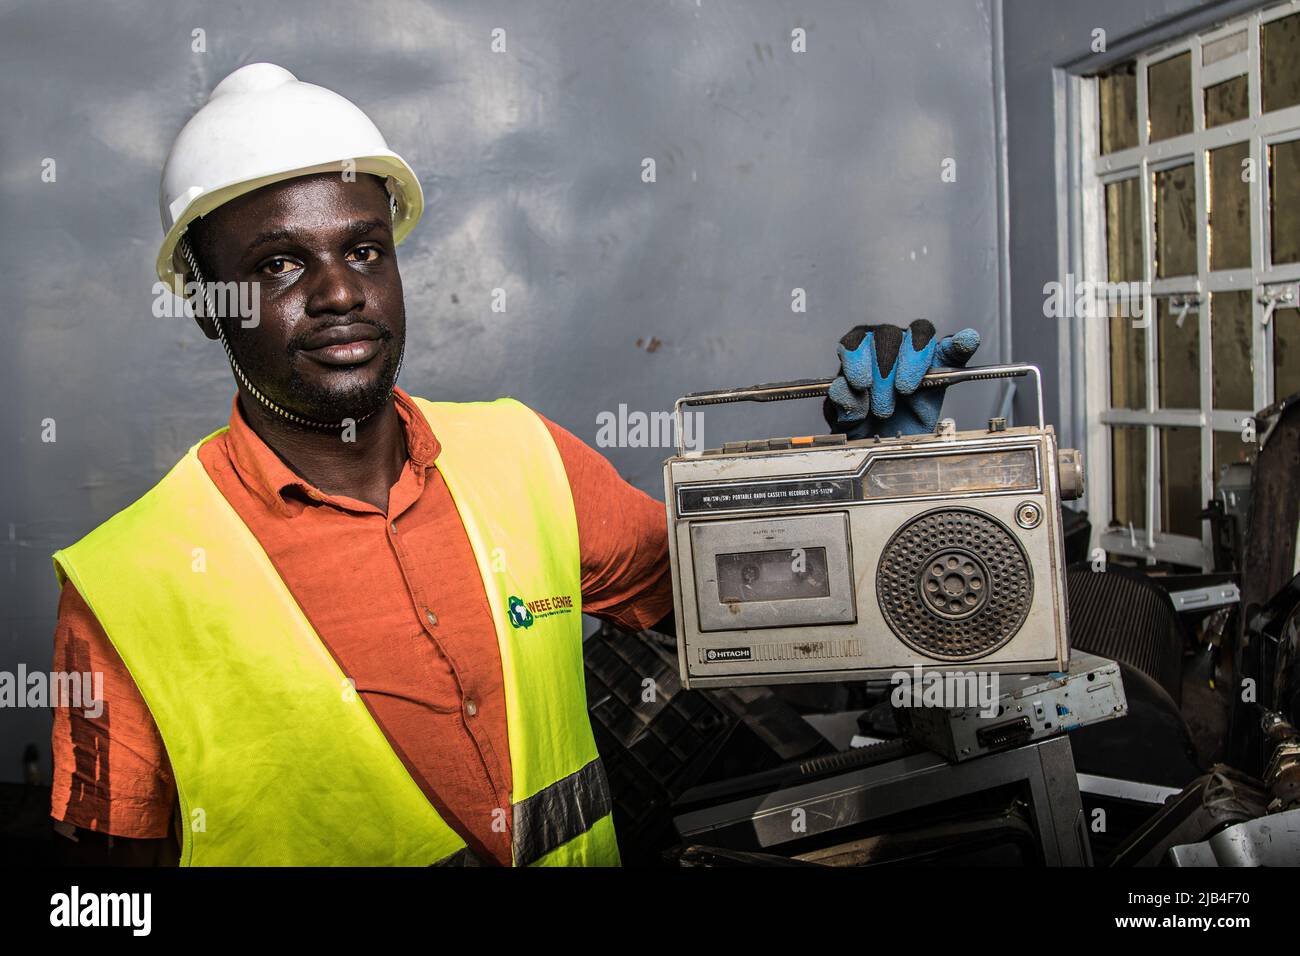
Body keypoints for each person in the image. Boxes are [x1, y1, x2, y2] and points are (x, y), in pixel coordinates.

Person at [49, 63, 978, 866]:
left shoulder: (523, 455)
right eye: (281, 266)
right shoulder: (132, 584)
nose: (339, 292)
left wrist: (880, 481)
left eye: (364, 250)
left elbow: (754, 594)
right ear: (208, 307)